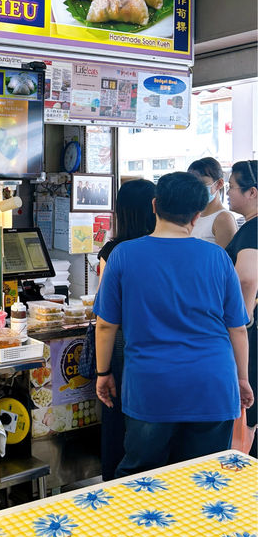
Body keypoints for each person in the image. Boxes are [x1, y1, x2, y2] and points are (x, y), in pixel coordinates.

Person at [94, 171, 253, 476]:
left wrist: (104, 374)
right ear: (196, 214)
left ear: (155, 205)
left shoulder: (123, 255)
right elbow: (236, 328)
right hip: (213, 384)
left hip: (152, 386)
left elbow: (105, 326)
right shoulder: (218, 258)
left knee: (142, 477)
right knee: (205, 479)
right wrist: (242, 379)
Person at [96, 178, 156, 480]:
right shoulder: (163, 247)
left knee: (116, 416)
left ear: (121, 211)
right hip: (154, 346)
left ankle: (115, 482)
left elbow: (105, 313)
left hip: (120, 346)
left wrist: (102, 371)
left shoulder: (114, 251)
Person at [226, 159, 258, 456]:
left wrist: (242, 321)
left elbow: (247, 278)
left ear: (252, 192)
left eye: (232, 187)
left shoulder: (252, 229)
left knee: (249, 411)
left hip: (252, 332)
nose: (228, 193)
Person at [188, 156, 237, 247]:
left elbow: (223, 255)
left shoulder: (224, 219)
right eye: (192, 184)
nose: (195, 189)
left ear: (219, 184)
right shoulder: (192, 216)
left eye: (202, 183)